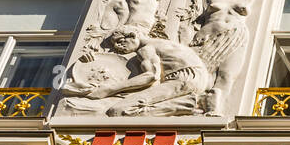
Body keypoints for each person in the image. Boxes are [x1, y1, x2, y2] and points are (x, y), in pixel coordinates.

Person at [62, 25, 210, 115]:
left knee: (118, 111)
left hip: (183, 80)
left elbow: (151, 76)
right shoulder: (163, 43)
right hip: (198, 78)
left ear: (133, 36)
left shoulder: (145, 49)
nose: (119, 47)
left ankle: (186, 104)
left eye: (120, 42)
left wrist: (109, 89)